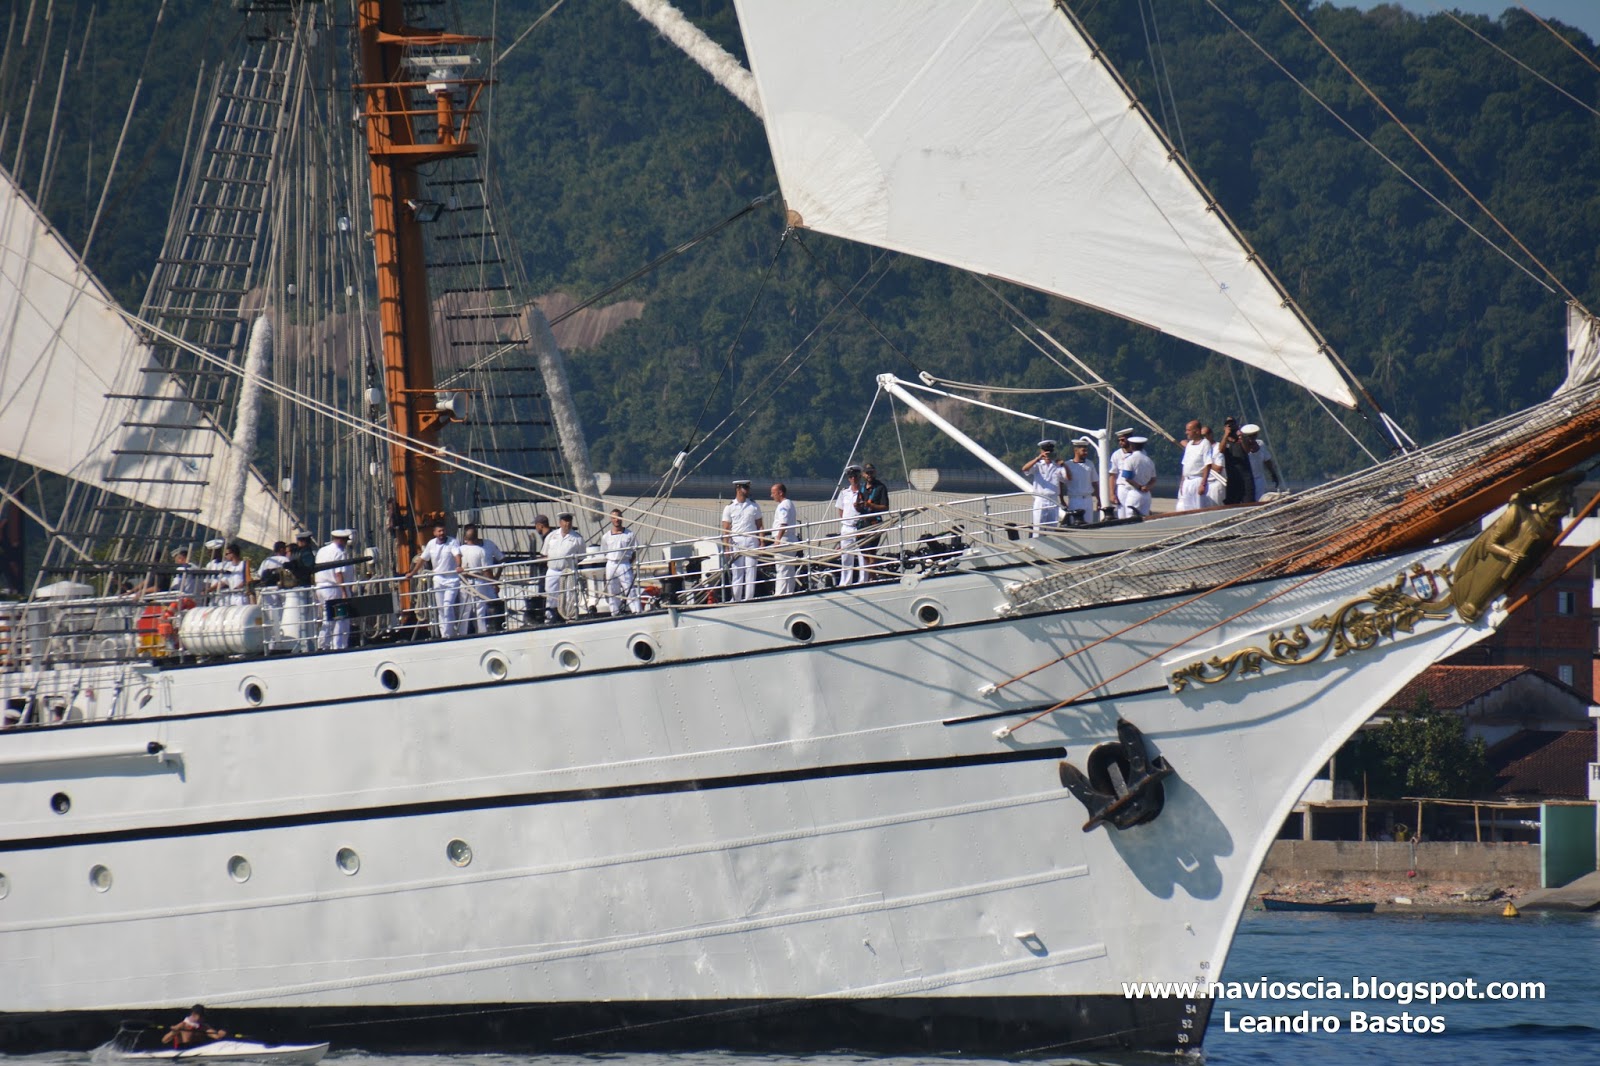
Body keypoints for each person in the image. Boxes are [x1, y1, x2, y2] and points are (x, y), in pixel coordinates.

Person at [412, 522, 463, 638]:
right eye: (439, 531)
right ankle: (445, 634)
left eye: (443, 530)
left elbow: (457, 554)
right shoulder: (431, 544)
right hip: (438, 579)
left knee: (447, 606)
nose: (441, 533)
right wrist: (413, 573)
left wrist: (459, 565)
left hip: (451, 579)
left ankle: (449, 634)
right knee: (441, 609)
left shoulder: (452, 542)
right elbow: (423, 559)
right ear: (434, 533)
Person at [721, 480, 763, 602]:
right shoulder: (729, 508)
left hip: (751, 540)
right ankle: (736, 599)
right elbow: (726, 529)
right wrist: (726, 547)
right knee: (737, 572)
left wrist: (762, 542)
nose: (747, 490)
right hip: (737, 542)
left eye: (748, 487)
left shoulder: (754, 506)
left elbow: (759, 525)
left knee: (751, 571)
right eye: (745, 487)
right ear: (738, 488)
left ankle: (749, 598)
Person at [458, 524, 504, 633]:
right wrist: (494, 583)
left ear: (465, 538)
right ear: (476, 536)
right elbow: (486, 571)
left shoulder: (460, 550)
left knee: (464, 610)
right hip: (479, 580)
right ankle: (482, 631)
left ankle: (462, 633)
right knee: (480, 609)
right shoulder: (481, 551)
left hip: (464, 581)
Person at [315, 528, 355, 650]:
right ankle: (338, 645)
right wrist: (344, 591)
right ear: (341, 540)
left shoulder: (322, 550)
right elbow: (339, 573)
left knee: (328, 617)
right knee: (340, 618)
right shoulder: (339, 553)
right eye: (345, 540)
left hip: (320, 586)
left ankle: (323, 643)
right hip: (334, 588)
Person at [543, 512, 584, 622]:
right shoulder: (551, 536)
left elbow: (581, 557)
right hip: (552, 570)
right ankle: (550, 617)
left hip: (567, 571)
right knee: (551, 594)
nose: (567, 523)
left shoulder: (577, 538)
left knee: (569, 595)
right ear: (560, 522)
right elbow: (545, 553)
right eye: (565, 521)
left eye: (569, 521)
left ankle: (569, 616)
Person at [600, 509, 640, 615]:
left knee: (629, 588)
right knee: (612, 589)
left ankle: (636, 610)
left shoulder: (630, 534)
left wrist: (629, 562)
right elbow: (604, 552)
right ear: (611, 519)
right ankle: (615, 612)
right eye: (614, 518)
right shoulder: (606, 537)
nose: (616, 520)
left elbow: (635, 551)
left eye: (618, 517)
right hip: (611, 564)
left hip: (624, 563)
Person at [1021, 439, 1065, 534]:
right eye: (1045, 451)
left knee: (1052, 529)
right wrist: (1038, 458)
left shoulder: (1057, 466)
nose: (1047, 454)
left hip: (1053, 500)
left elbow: (1067, 478)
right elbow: (1024, 469)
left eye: (1050, 452)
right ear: (1041, 452)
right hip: (1041, 499)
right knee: (1038, 528)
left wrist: (1062, 463)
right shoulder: (1037, 465)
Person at [856, 463, 890, 577]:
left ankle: (873, 577)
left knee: (871, 551)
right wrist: (857, 506)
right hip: (863, 523)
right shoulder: (861, 487)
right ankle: (871, 575)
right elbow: (859, 504)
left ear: (874, 473)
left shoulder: (880, 487)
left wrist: (871, 506)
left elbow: (885, 507)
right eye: (867, 473)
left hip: (874, 522)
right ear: (863, 474)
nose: (869, 475)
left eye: (871, 472)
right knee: (863, 550)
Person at [768, 482, 800, 595]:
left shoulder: (783, 505)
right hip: (790, 538)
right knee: (789, 570)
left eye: (773, 493)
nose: (772, 496)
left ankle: (780, 594)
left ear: (780, 493)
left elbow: (783, 523)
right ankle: (789, 592)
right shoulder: (789, 504)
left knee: (781, 570)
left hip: (784, 540)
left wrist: (777, 539)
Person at [835, 465, 864, 586]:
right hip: (847, 528)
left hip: (860, 527)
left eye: (855, 476)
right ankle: (845, 582)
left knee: (862, 555)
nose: (853, 478)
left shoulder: (863, 491)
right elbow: (841, 509)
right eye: (851, 476)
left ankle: (863, 581)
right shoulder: (844, 493)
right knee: (846, 557)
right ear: (849, 479)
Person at [1060, 437, 1100, 524]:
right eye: (1083, 450)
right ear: (1076, 451)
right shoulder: (1068, 464)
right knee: (1075, 524)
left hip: (1088, 499)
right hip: (1075, 499)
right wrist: (1062, 500)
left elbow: (1095, 483)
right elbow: (1061, 483)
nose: (1086, 453)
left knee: (1089, 524)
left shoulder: (1090, 464)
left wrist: (1098, 499)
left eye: (1086, 450)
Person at [1220, 415, 1255, 504]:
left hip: (1245, 477)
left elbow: (1247, 450)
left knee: (1248, 500)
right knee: (1231, 502)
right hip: (1232, 477)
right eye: (1228, 425)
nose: (1230, 427)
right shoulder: (1225, 440)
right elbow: (1221, 449)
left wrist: (1241, 437)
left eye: (1232, 424)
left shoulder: (1242, 438)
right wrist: (1226, 435)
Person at [1241, 423, 1283, 499]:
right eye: (1249, 436)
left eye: (1254, 435)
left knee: (1259, 499)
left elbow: (1267, 461)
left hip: (1259, 479)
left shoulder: (1261, 444)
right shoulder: (1241, 447)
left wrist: (1273, 474)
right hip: (1246, 480)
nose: (1251, 438)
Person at [1176, 420, 1210, 512]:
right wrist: (1182, 483)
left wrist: (1203, 483)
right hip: (1187, 480)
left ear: (1197, 431)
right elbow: (1185, 465)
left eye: (1188, 430)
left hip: (1197, 480)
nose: (1186, 432)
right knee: (1187, 508)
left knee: (1198, 508)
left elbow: (1207, 464)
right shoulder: (1189, 445)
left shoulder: (1205, 444)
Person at [1117, 436, 1157, 517]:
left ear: (1131, 446)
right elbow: (1153, 479)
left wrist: (1140, 487)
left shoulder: (1130, 459)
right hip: (1147, 494)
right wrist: (1147, 487)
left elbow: (1127, 478)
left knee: (1131, 517)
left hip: (1135, 492)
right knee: (1145, 518)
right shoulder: (1149, 460)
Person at [526, 515, 552, 623]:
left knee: (544, 593)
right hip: (545, 570)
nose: (536, 529)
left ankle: (547, 615)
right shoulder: (548, 536)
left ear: (540, 525)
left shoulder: (549, 537)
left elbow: (549, 555)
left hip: (546, 571)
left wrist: (536, 560)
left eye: (536, 526)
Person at [1105, 428, 1134, 518]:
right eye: (1119, 440)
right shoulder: (1116, 455)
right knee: (1122, 514)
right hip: (1122, 488)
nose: (1120, 442)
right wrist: (1112, 494)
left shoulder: (1140, 453)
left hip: (1135, 488)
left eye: (1122, 440)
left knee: (1134, 513)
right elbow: (1113, 475)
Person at [1201, 424, 1227, 508]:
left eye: (1205, 435)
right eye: (1202, 436)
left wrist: (1207, 462)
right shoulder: (1201, 448)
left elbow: (1218, 468)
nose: (1204, 438)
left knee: (1216, 508)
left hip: (1215, 483)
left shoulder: (1218, 448)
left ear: (1211, 434)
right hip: (1204, 483)